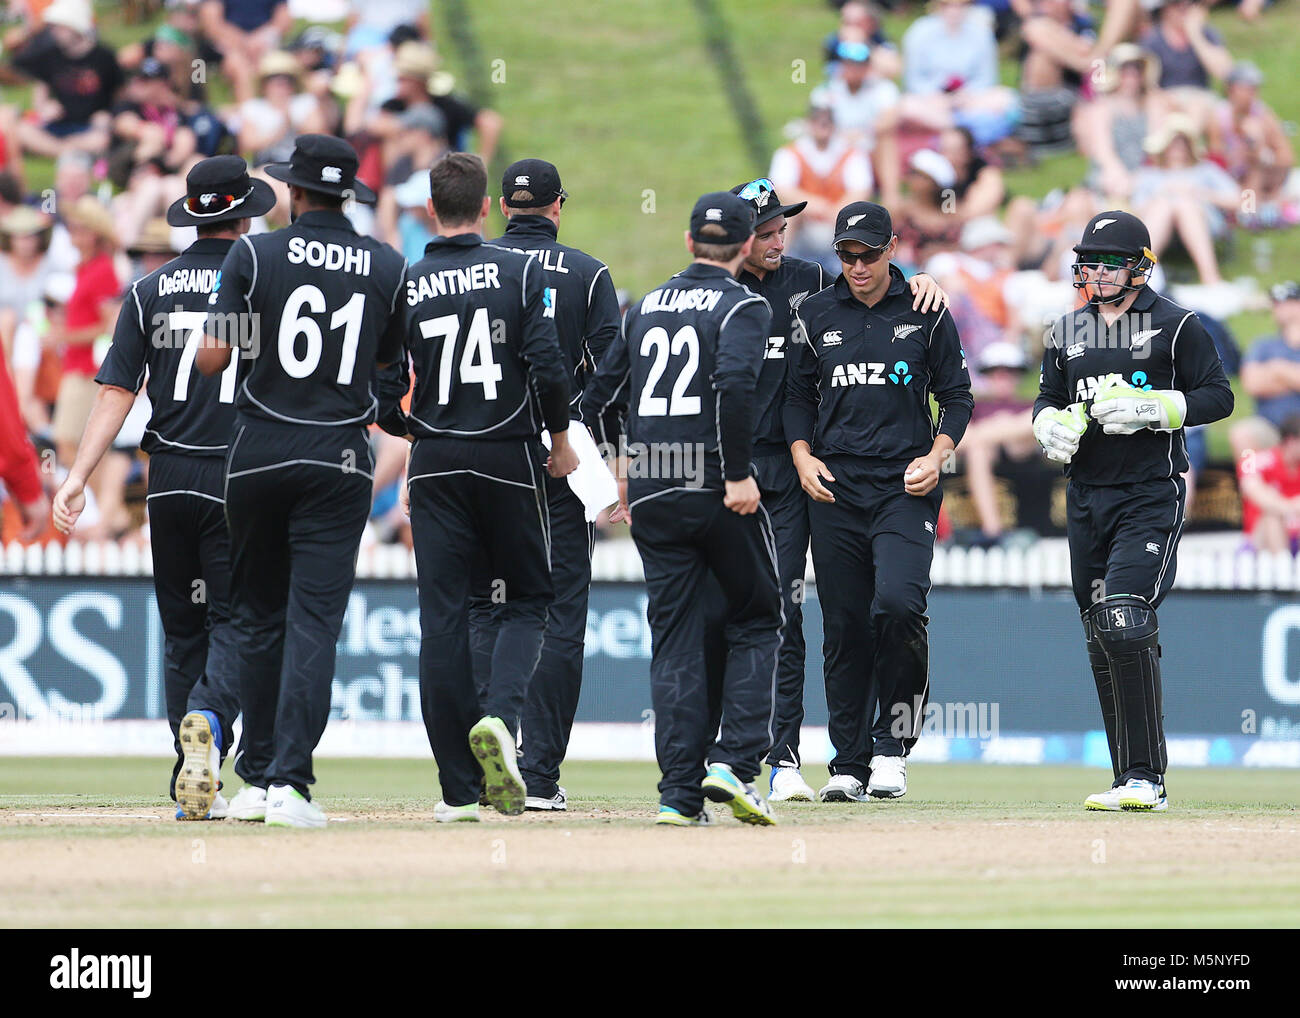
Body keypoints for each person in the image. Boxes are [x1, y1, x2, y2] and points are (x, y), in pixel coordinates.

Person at [52, 157, 276, 821]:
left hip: (168, 478)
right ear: (245, 213)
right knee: (240, 618)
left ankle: (189, 774)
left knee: (183, 633)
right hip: (238, 471)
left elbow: (117, 390)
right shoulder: (260, 280)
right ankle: (210, 722)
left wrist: (77, 475)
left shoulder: (149, 289)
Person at [197, 135, 407, 828]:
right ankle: (290, 783)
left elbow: (212, 357)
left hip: (256, 450)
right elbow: (389, 376)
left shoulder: (252, 253)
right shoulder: (386, 263)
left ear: (291, 192)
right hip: (337, 457)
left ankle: (254, 782)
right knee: (313, 621)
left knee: (255, 618)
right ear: (347, 194)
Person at [729, 175, 948, 802]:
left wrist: (919, 281)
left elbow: (872, 310)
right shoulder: (709, 290)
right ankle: (780, 755)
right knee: (765, 615)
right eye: (764, 233)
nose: (777, 241)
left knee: (808, 612)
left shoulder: (807, 284)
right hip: (735, 472)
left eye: (781, 230)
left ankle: (819, 757)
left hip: (804, 476)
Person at [584, 191, 783, 828]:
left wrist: (620, 468)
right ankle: (733, 762)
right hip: (714, 484)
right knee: (757, 617)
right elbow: (733, 388)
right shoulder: (745, 306)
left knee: (675, 639)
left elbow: (595, 400)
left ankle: (677, 794)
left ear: (689, 241)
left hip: (653, 491)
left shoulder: (646, 305)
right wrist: (737, 475)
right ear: (748, 245)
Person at [392, 152, 577, 823]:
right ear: (487, 207)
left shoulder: (409, 281)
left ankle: (456, 791)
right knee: (529, 597)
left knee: (442, 620)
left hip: (436, 459)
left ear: (431, 209)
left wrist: (415, 436)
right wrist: (558, 441)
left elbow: (385, 386)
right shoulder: (519, 271)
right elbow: (549, 365)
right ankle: (500, 717)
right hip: (506, 454)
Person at [1032, 209, 1233, 813]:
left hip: (1149, 493)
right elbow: (1048, 395)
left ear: (1139, 267)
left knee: (1124, 613)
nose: (1094, 272)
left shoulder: (1177, 326)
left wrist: (1155, 408)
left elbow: (1218, 396)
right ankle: (1127, 776)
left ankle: (1148, 776)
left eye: (1107, 263)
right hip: (1086, 495)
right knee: (1101, 632)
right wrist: (1047, 424)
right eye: (1088, 262)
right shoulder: (1065, 330)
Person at [786, 201, 973, 802]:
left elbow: (959, 396)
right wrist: (801, 456)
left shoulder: (925, 309)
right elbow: (794, 397)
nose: (857, 266)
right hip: (833, 485)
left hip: (904, 483)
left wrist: (938, 453)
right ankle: (848, 761)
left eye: (868, 254)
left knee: (895, 606)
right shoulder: (814, 313)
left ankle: (893, 747)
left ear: (893, 247)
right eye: (846, 255)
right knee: (843, 625)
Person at [461, 158, 621, 813]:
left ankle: (475, 766)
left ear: (501, 206)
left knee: (482, 609)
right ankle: (543, 776)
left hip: (478, 454)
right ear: (559, 206)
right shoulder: (588, 274)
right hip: (560, 457)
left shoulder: (468, 266)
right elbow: (616, 367)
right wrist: (579, 425)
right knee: (560, 617)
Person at [1231, 281, 1300, 462]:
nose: (1278, 308)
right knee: (1243, 433)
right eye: (1276, 304)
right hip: (1271, 426)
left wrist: (1277, 369)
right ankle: (1250, 481)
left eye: (1286, 302)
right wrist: (1292, 379)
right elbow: (1252, 384)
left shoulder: (1271, 356)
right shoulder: (1263, 345)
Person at [1239, 413, 1300, 554]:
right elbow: (1253, 490)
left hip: (1295, 533)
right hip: (1261, 538)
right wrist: (1290, 507)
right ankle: (1280, 569)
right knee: (1272, 515)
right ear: (1291, 441)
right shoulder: (1259, 460)